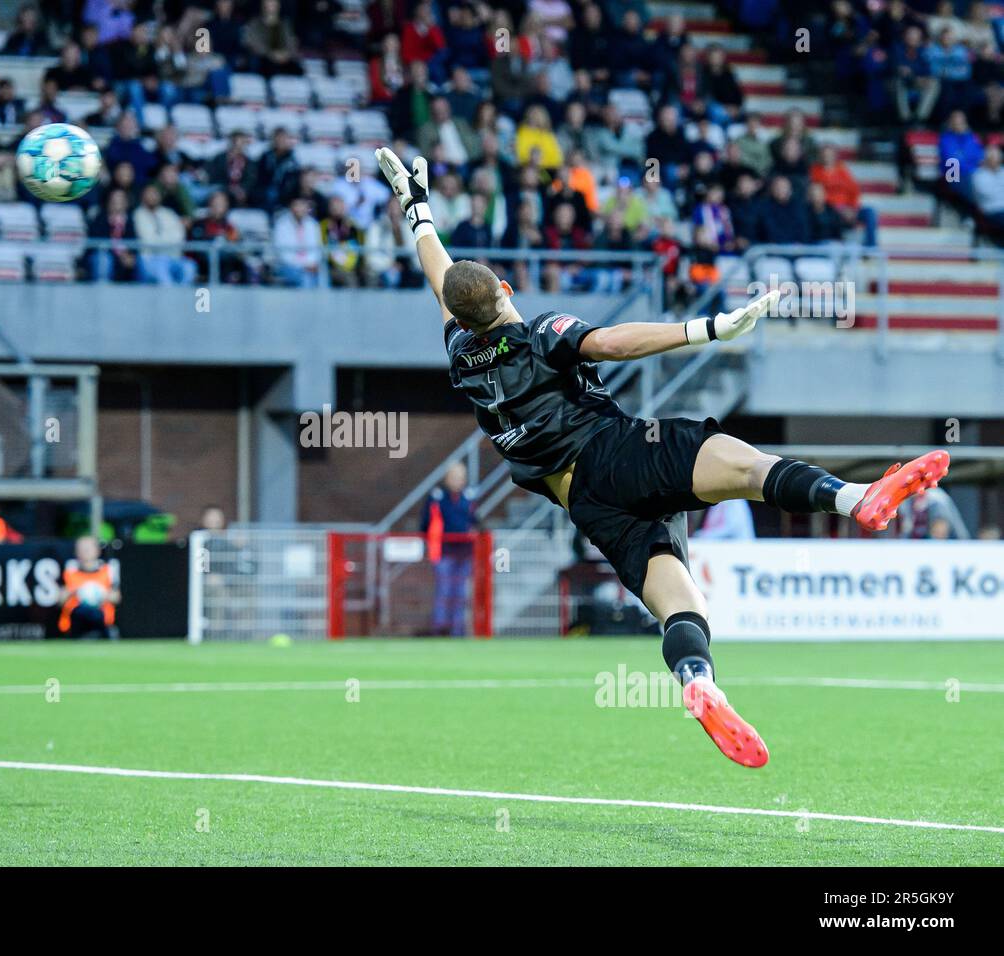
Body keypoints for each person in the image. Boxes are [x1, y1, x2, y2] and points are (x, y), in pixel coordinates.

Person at [373, 145, 952, 768]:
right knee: (741, 465)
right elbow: (612, 343)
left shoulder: (461, 355)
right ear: (507, 291)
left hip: (588, 506)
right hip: (615, 453)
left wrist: (418, 210)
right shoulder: (537, 334)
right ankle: (854, 498)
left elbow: (445, 280)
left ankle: (700, 683)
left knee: (681, 604)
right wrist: (706, 329)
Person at [419, 462, 478, 636]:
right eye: (455, 477)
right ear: (447, 478)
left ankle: (457, 632)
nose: (458, 481)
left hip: (464, 553)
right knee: (444, 592)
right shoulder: (437, 497)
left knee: (460, 594)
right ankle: (440, 630)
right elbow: (425, 523)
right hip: (444, 552)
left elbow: (475, 521)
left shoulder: (468, 498)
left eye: (461, 477)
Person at [58, 535, 121, 638]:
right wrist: (75, 591)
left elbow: (117, 597)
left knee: (96, 615)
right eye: (81, 549)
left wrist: (102, 594)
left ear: (97, 551)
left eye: (88, 549)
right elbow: (59, 600)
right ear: (76, 552)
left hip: (101, 620)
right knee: (80, 612)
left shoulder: (108, 571)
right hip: (76, 622)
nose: (85, 552)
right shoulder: (69, 572)